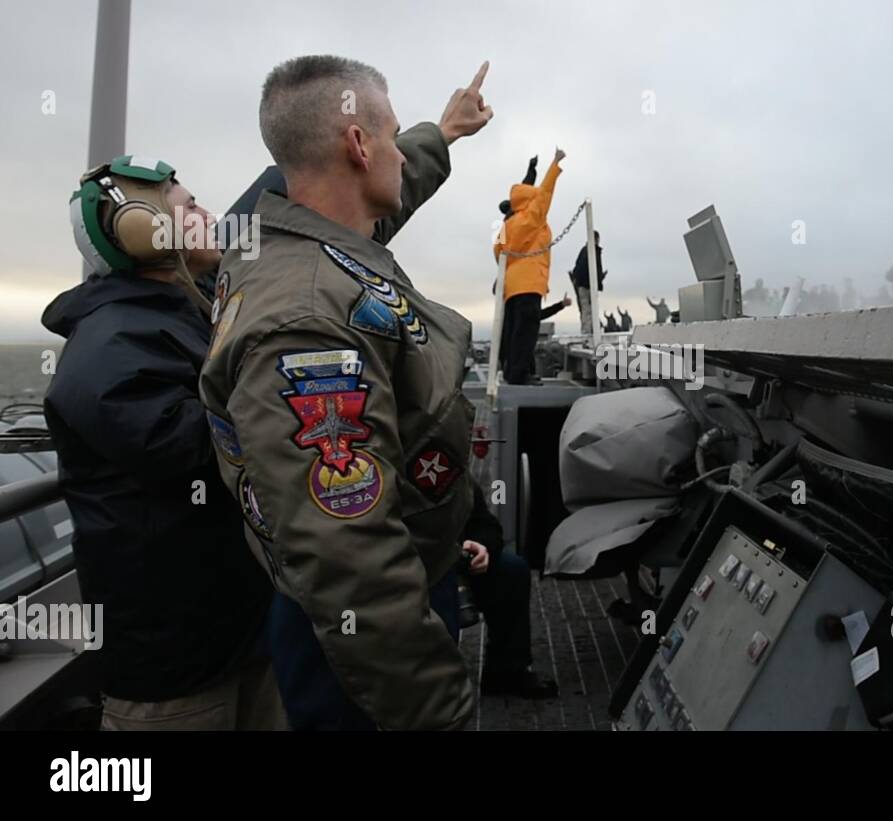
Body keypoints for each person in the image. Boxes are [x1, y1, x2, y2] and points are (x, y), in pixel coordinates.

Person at [199, 55, 493, 731]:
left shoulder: (287, 240)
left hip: (345, 616)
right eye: (389, 135)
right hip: (361, 637)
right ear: (359, 145)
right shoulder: (305, 321)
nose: (397, 151)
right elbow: (349, 557)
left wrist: (441, 134)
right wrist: (440, 712)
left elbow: (377, 202)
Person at [45, 156, 285, 730]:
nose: (209, 216)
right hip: (176, 672)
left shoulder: (171, 311)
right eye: (190, 207)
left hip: (235, 635)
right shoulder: (111, 352)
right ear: (141, 232)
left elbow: (264, 203)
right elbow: (208, 451)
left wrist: (431, 138)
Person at [461, 484, 558, 698]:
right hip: (406, 569)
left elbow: (487, 525)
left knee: (511, 571)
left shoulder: (453, 471)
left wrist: (480, 547)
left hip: (455, 564)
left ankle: (507, 670)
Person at [495, 148, 566, 384]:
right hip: (529, 283)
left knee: (514, 330)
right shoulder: (533, 217)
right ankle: (519, 374)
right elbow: (544, 193)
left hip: (511, 285)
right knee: (526, 332)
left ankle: (511, 372)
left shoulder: (508, 224)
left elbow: (498, 251)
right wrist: (554, 165)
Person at [570, 230, 606, 335]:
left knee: (586, 309)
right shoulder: (594, 251)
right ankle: (591, 331)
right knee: (591, 309)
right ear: (597, 239)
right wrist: (599, 280)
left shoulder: (583, 251)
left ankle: (587, 330)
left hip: (582, 286)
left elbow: (577, 268)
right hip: (591, 286)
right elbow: (597, 269)